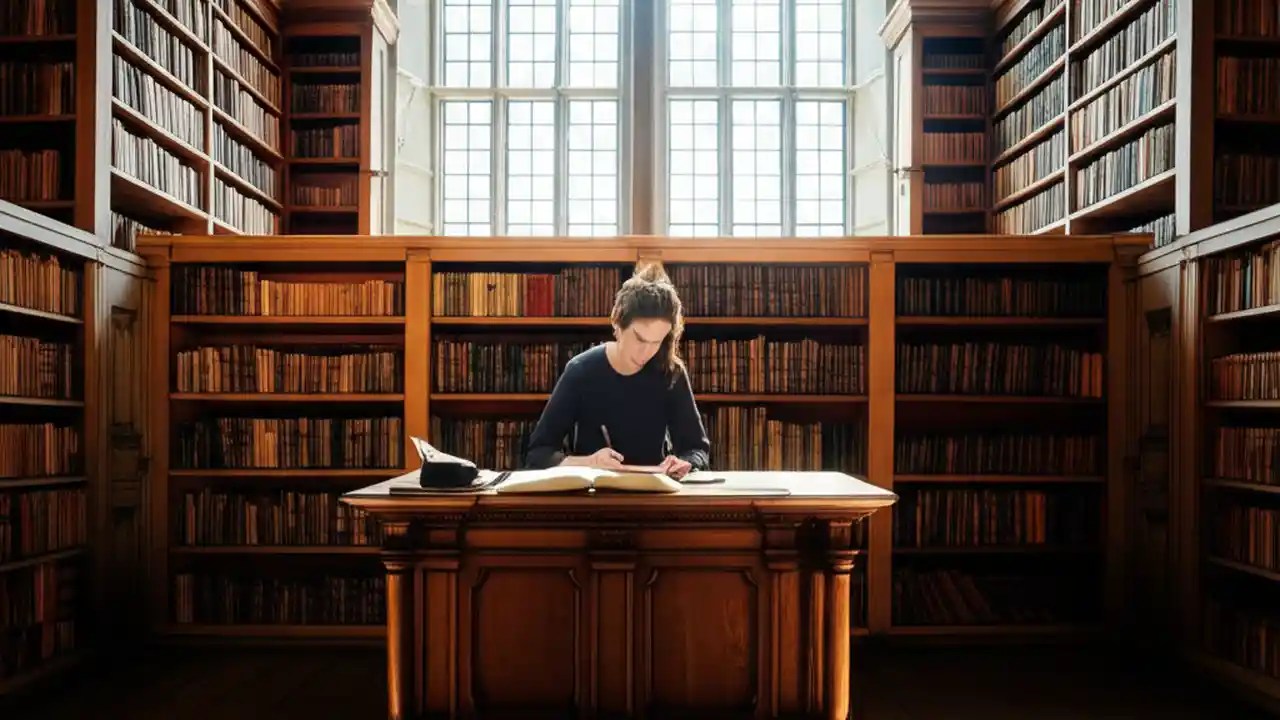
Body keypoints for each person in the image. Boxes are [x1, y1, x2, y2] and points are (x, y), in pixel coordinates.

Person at [523, 263, 711, 479]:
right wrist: (588, 462)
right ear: (617, 322)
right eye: (639, 338)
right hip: (593, 497)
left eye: (657, 342)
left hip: (654, 498)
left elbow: (697, 450)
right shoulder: (581, 371)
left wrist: (685, 463)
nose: (646, 352)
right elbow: (538, 454)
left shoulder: (671, 371)